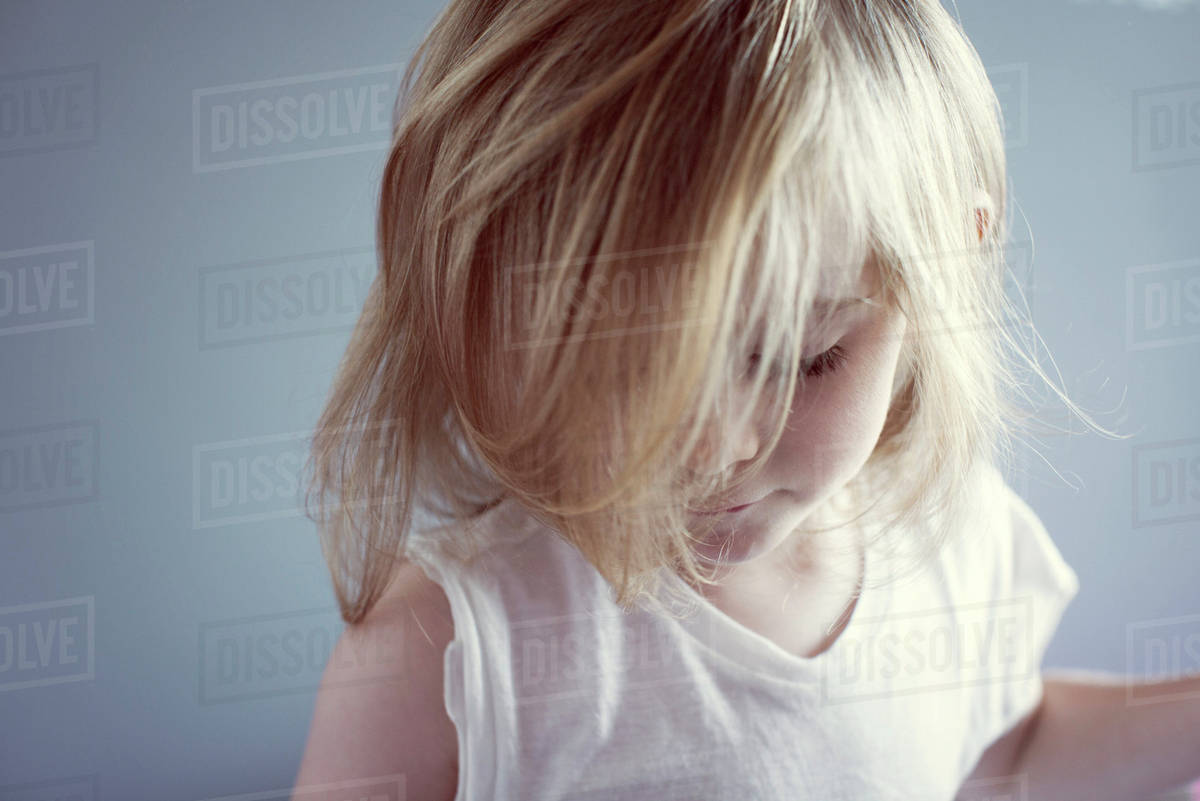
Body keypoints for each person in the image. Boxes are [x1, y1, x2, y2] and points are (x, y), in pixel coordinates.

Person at [292, 1, 1200, 799]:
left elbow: (1000, 756)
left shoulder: (949, 538)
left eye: (808, 361)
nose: (721, 446)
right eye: (636, 372)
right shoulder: (448, 653)